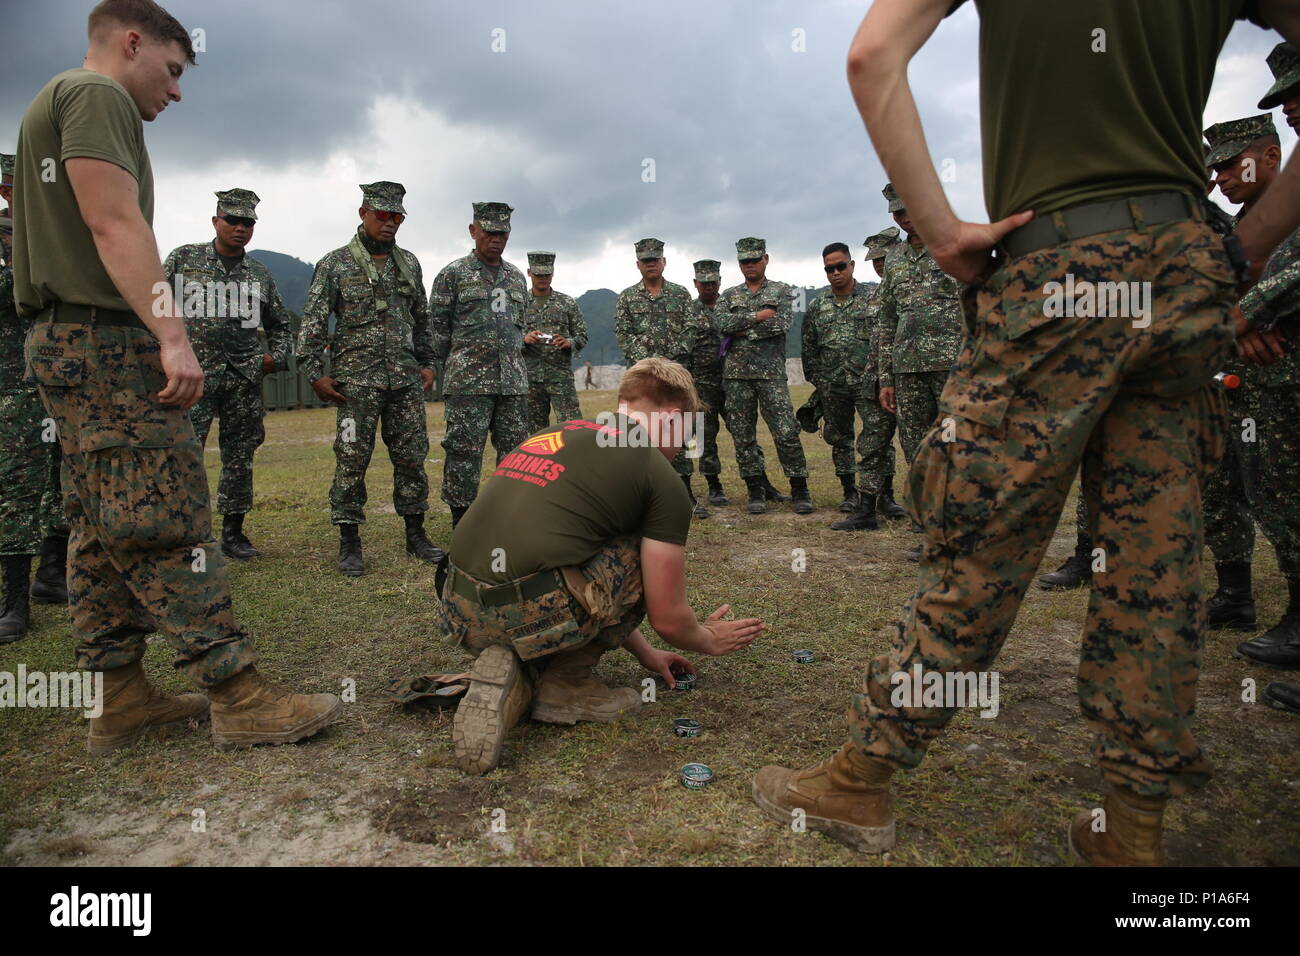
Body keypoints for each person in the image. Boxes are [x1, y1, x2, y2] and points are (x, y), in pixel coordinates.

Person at [752, 0, 1296, 865]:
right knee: (1154, 559)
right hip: (1184, 271)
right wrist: (1253, 241)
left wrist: (942, 233)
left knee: (983, 539)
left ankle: (864, 777)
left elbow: (872, 57)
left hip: (1062, 274)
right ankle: (1133, 824)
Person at [12, 0, 341, 752]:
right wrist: (170, 333)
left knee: (98, 524)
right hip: (105, 343)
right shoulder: (94, 96)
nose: (177, 91)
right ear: (132, 43)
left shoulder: (49, 100)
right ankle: (238, 693)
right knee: (165, 514)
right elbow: (113, 221)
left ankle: (120, 696)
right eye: (172, 70)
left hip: (65, 343)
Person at [435, 357, 764, 773]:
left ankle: (518, 673)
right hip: (530, 611)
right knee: (641, 546)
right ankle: (566, 684)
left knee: (590, 538)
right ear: (670, 417)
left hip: (459, 612)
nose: (684, 445)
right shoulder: (655, 473)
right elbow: (667, 615)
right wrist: (705, 639)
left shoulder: (558, 431)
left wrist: (647, 655)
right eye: (687, 430)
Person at [299, 181, 441, 576]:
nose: (390, 223)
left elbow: (422, 319)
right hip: (355, 383)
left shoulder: (409, 263)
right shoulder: (335, 263)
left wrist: (428, 364)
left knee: (412, 459)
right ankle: (349, 541)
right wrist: (315, 374)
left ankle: (416, 534)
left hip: (404, 380)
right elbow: (313, 321)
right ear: (363, 214)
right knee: (351, 460)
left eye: (397, 216)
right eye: (382, 215)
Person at [164, 188, 292, 560]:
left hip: (243, 379)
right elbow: (155, 308)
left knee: (240, 457)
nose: (240, 228)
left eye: (247, 222)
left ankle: (233, 533)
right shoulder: (183, 261)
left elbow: (281, 325)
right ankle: (185, 532)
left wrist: (274, 359)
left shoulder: (259, 274)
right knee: (185, 454)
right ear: (215, 221)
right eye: (232, 220)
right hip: (193, 377)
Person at [1230, 41, 1300, 672]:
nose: (1296, 108)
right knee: (1272, 492)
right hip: (1265, 376)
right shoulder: (1244, 225)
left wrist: (1243, 312)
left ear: (1270, 155)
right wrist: (1241, 323)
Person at [875, 183, 968, 559]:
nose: (905, 218)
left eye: (910, 208)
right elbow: (886, 319)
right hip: (907, 370)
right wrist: (886, 378)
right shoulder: (894, 258)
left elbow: (977, 304)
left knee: (957, 446)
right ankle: (931, 533)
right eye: (898, 214)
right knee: (917, 450)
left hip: (952, 368)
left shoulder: (952, 244)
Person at [0, 151, 70, 642]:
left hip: (57, 376)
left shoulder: (56, 230)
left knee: (59, 484)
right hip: (11, 387)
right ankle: (13, 600)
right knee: (17, 492)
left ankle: (50, 576)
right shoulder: (13, 237)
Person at [431, 202, 531, 528]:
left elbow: (521, 326)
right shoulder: (453, 275)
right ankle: (462, 523)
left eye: (503, 233)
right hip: (468, 384)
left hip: (512, 384)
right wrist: (455, 367)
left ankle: (508, 519)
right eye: (489, 232)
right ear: (474, 231)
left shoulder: (516, 277)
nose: (496, 239)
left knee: (515, 453)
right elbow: (438, 331)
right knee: (463, 453)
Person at [612, 239, 709, 517]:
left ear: (664, 262)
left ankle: (683, 491)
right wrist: (649, 363)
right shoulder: (627, 297)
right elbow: (623, 333)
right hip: (642, 380)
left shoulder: (680, 294)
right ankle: (639, 495)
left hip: (675, 377)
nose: (651, 263)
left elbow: (691, 328)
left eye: (655, 259)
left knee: (679, 431)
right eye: (645, 260)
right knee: (637, 432)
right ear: (638, 265)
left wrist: (669, 360)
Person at [716, 237, 812, 514]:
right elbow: (721, 323)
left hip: (771, 375)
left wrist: (741, 330)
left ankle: (799, 488)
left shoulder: (782, 291)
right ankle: (755, 489)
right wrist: (758, 317)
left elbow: (782, 324)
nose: (750, 266)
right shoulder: (729, 295)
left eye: (754, 260)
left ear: (765, 259)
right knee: (743, 435)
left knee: (785, 432)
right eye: (744, 262)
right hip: (736, 377)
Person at [522, 251, 587, 431]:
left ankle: (572, 460)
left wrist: (569, 343)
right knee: (535, 431)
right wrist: (524, 340)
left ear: (552, 273)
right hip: (530, 378)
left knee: (572, 427)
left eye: (546, 274)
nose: (543, 278)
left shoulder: (567, 303)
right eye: (538, 274)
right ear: (529, 272)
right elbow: (506, 338)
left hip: (561, 377)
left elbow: (582, 335)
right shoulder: (519, 304)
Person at [688, 258, 734, 507]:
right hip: (701, 384)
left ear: (720, 282)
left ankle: (758, 482)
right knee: (705, 437)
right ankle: (714, 485)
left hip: (733, 380)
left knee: (743, 432)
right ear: (696, 283)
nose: (709, 287)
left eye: (713, 282)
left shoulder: (731, 308)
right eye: (703, 283)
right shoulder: (688, 312)